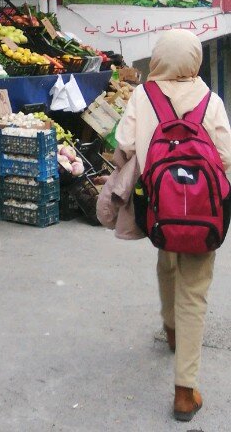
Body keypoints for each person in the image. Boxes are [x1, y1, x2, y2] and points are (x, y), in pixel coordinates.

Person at [114, 29, 231, 422]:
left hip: (159, 208)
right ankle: (185, 390)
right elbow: (227, 158)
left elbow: (124, 147)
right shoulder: (210, 100)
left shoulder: (141, 96)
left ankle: (171, 329)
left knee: (167, 257)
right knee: (194, 293)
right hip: (201, 214)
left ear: (159, 57)